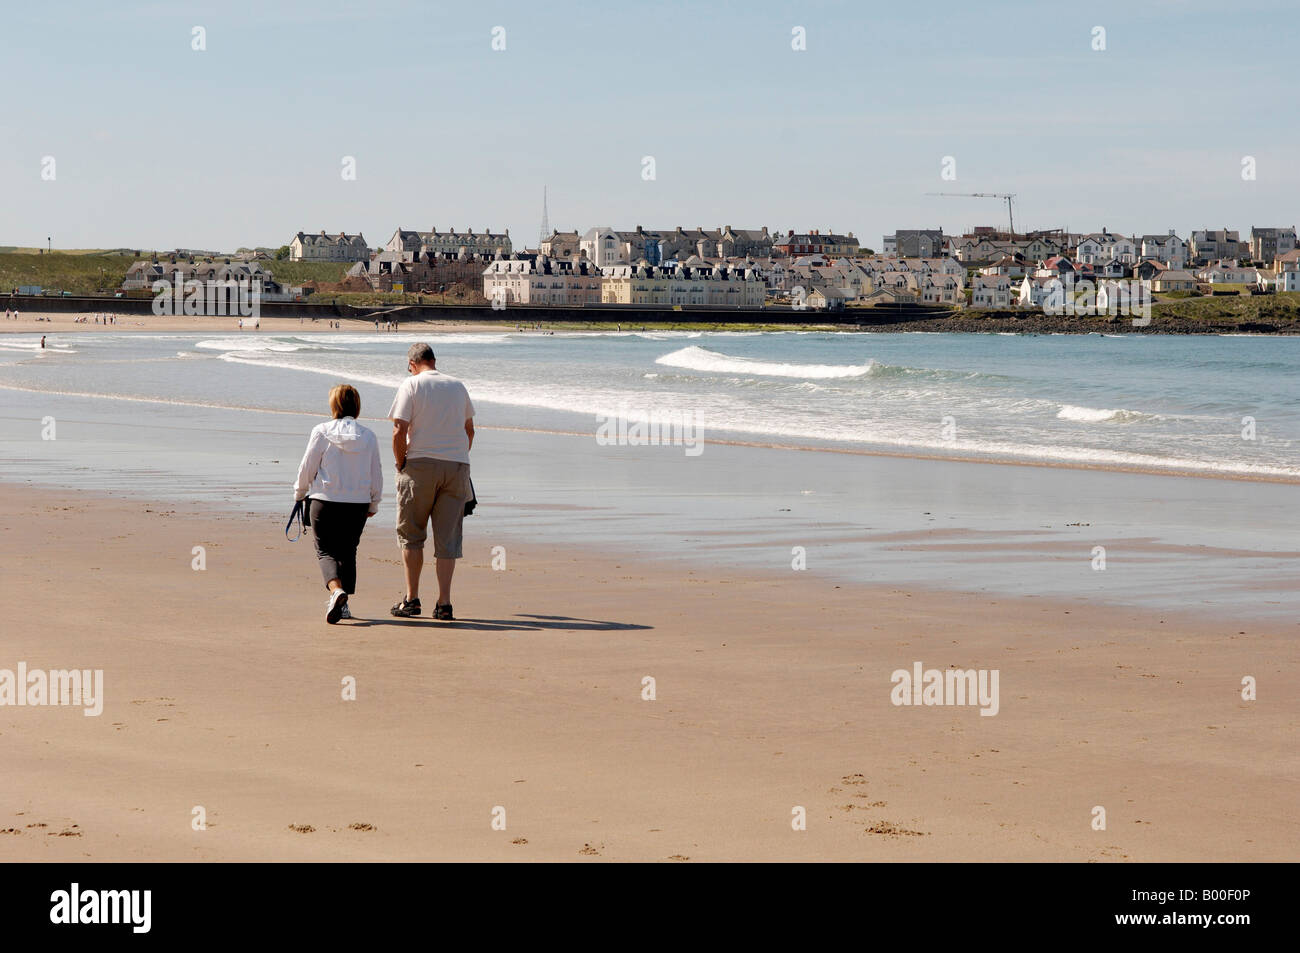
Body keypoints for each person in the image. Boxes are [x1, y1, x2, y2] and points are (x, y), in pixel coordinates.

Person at [388, 342, 475, 621]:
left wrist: (401, 462)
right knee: (447, 539)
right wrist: (457, 456)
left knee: (412, 534)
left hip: (420, 465)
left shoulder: (411, 385)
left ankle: (412, 599)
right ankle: (444, 602)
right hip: (457, 466)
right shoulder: (458, 386)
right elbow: (469, 430)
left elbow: (399, 430)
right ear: (434, 360)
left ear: (412, 364)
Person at [293, 384, 383, 624]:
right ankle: (343, 605)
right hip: (357, 504)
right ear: (357, 406)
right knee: (348, 551)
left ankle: (336, 591)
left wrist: (299, 492)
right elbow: (376, 472)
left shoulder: (321, 431)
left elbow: (308, 466)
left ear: (334, 405)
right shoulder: (369, 436)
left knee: (325, 550)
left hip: (325, 500)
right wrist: (374, 502)